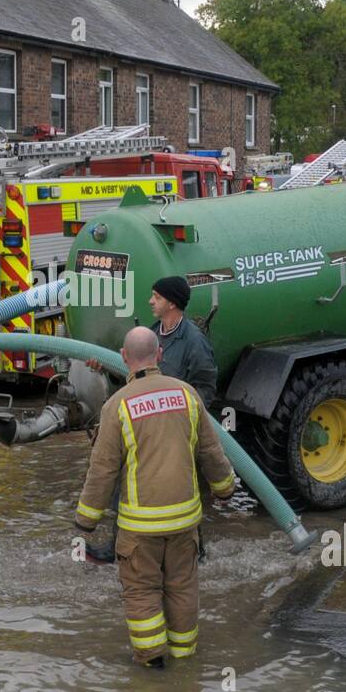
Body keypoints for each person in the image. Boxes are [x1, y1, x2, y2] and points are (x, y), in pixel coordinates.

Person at [74, 327, 235, 667]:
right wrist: (224, 489)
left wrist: (86, 519)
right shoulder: (188, 395)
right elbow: (211, 452)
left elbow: (102, 469)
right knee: (182, 588)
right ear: (159, 355)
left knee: (142, 591)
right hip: (184, 523)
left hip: (139, 528)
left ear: (123, 357)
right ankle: (184, 660)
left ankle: (153, 664)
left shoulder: (116, 406)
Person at [148, 276, 218, 408]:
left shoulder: (195, 341)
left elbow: (205, 389)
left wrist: (182, 414)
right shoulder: (151, 334)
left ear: (172, 304)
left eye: (157, 297)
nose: (151, 301)